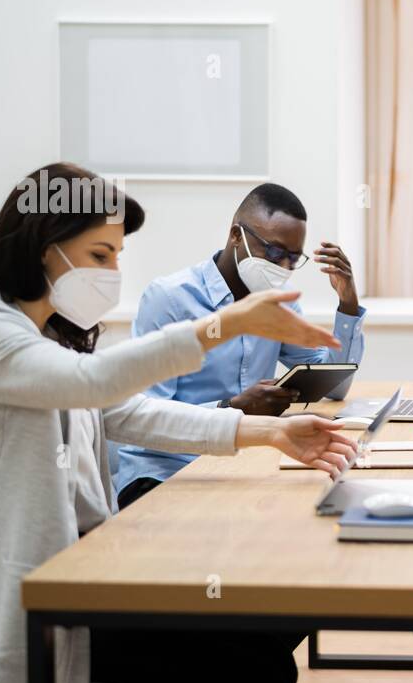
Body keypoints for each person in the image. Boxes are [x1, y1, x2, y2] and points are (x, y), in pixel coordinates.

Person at [0, 163, 359, 683]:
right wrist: (223, 324)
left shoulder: (39, 332)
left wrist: (271, 433)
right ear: (45, 249)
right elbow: (96, 379)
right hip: (31, 604)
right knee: (256, 680)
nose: (113, 274)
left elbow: (127, 412)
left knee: (267, 629)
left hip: (82, 579)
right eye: (100, 255)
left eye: (117, 256)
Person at [115, 182, 366, 509]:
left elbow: (337, 385)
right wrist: (233, 408)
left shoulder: (281, 305)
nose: (282, 268)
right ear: (236, 235)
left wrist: (347, 302)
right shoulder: (169, 298)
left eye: (293, 259)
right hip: (165, 471)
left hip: (242, 461)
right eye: (275, 252)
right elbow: (144, 417)